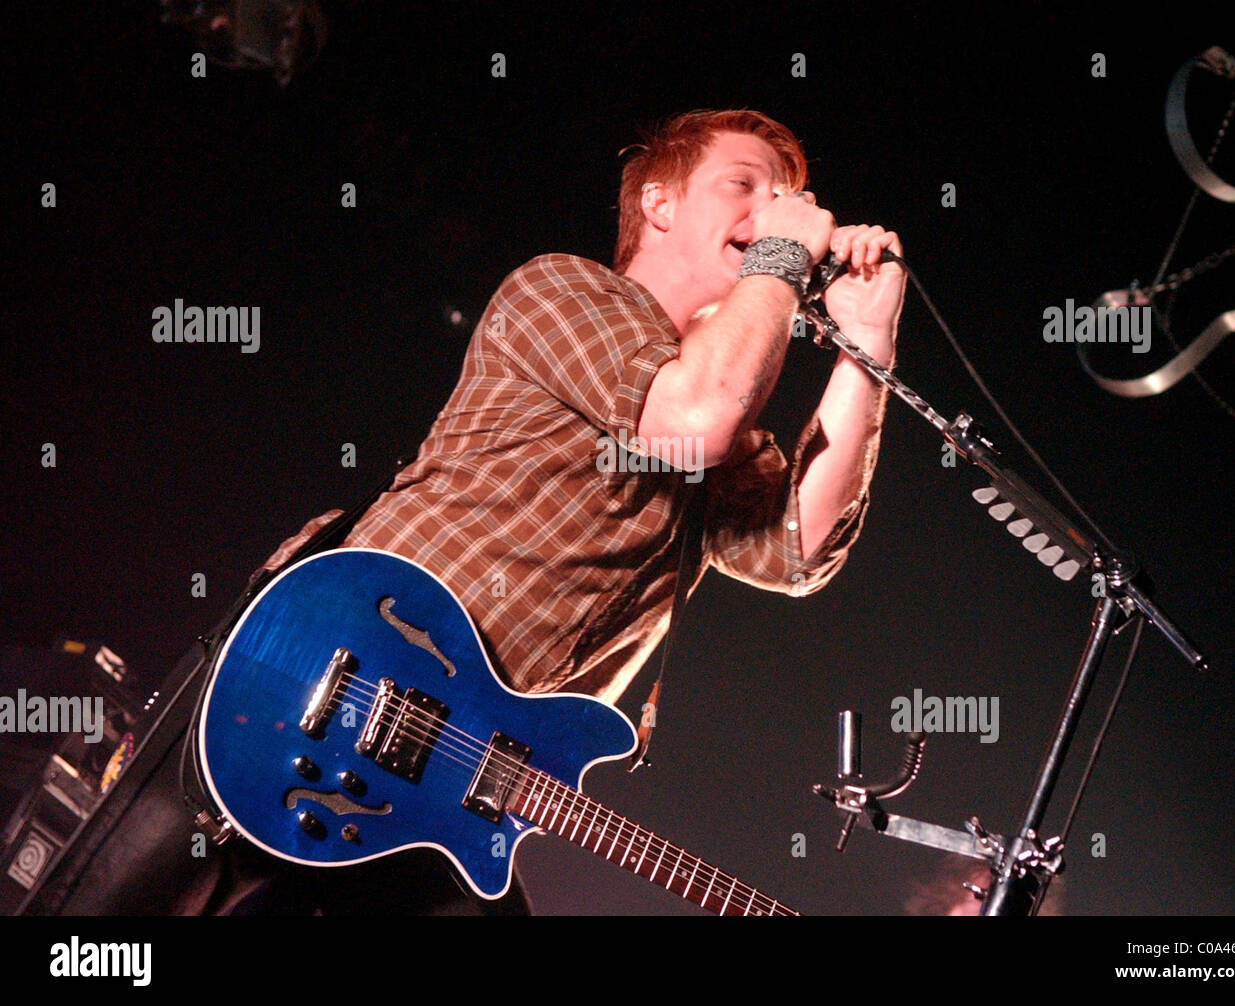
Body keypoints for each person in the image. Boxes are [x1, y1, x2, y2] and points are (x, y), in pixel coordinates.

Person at [42, 109, 904, 916]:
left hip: (441, 788)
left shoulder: (730, 432)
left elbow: (797, 550)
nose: (781, 207)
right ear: (659, 202)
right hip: (302, 681)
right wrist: (782, 258)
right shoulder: (564, 291)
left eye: (787, 194)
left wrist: (866, 347)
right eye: (747, 184)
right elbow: (691, 418)